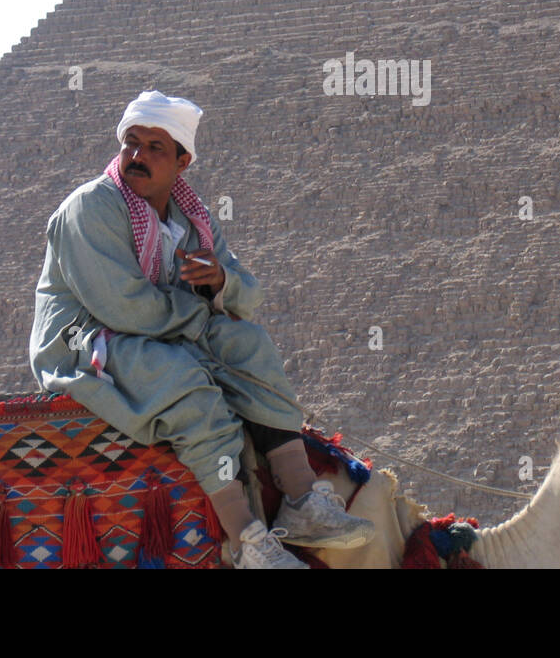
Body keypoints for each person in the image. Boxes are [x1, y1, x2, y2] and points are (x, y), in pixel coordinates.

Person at [30, 90, 373, 568]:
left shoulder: (193, 220)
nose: (138, 157)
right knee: (182, 382)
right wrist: (199, 319)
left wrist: (219, 280)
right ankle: (250, 541)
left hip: (166, 328)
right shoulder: (91, 208)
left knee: (248, 345)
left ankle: (302, 500)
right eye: (131, 143)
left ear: (182, 162)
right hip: (84, 340)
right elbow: (122, 308)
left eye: (155, 148)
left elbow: (246, 297)